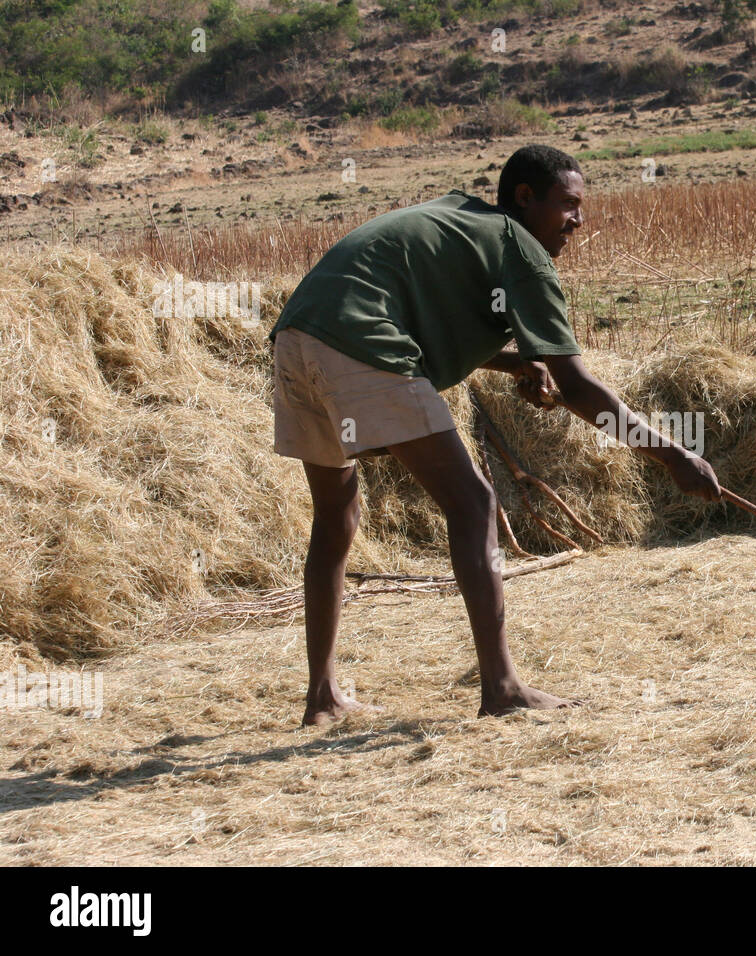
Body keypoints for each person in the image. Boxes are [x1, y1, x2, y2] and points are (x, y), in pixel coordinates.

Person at [267, 144, 721, 725]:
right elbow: (578, 388)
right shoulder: (522, 248)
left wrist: (510, 363)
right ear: (525, 198)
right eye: (568, 206)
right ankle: (502, 687)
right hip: (362, 343)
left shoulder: (465, 222)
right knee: (475, 501)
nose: (578, 222)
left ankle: (323, 698)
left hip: (299, 336)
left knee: (338, 513)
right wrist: (672, 455)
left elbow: (420, 308)